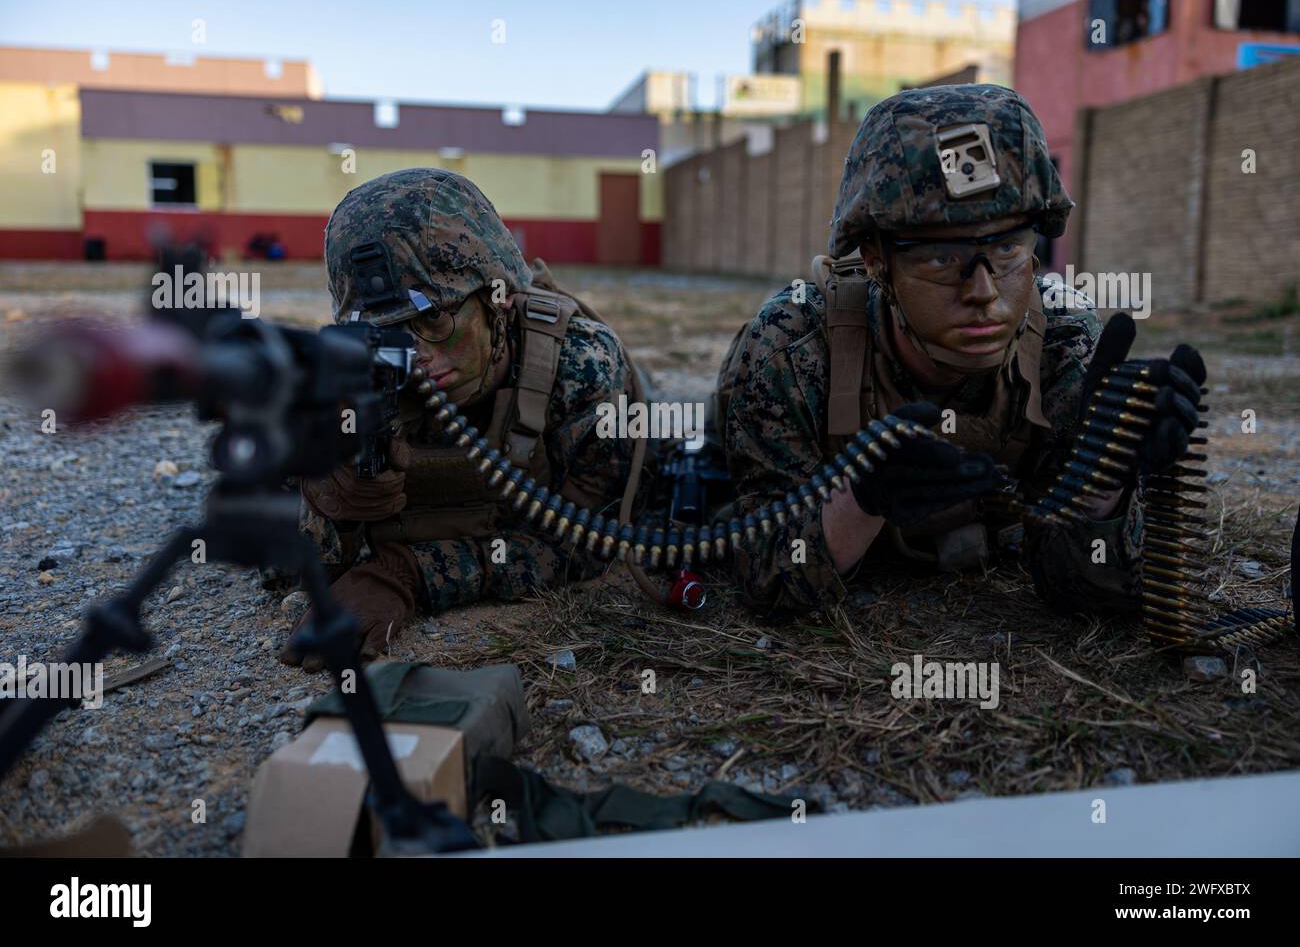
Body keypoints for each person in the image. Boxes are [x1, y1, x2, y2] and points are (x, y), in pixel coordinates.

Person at [716, 84, 1204, 615]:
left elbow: (1084, 590)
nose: (983, 292)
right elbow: (765, 579)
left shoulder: (1064, 340)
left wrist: (1108, 475)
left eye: (1006, 248)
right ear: (877, 259)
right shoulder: (792, 348)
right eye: (942, 259)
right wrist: (862, 498)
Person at [281, 168, 641, 671]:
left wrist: (410, 572)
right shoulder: (343, 383)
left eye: (434, 318)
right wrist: (330, 505)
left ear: (499, 300)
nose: (416, 357)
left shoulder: (581, 367)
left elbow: (589, 541)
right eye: (388, 332)